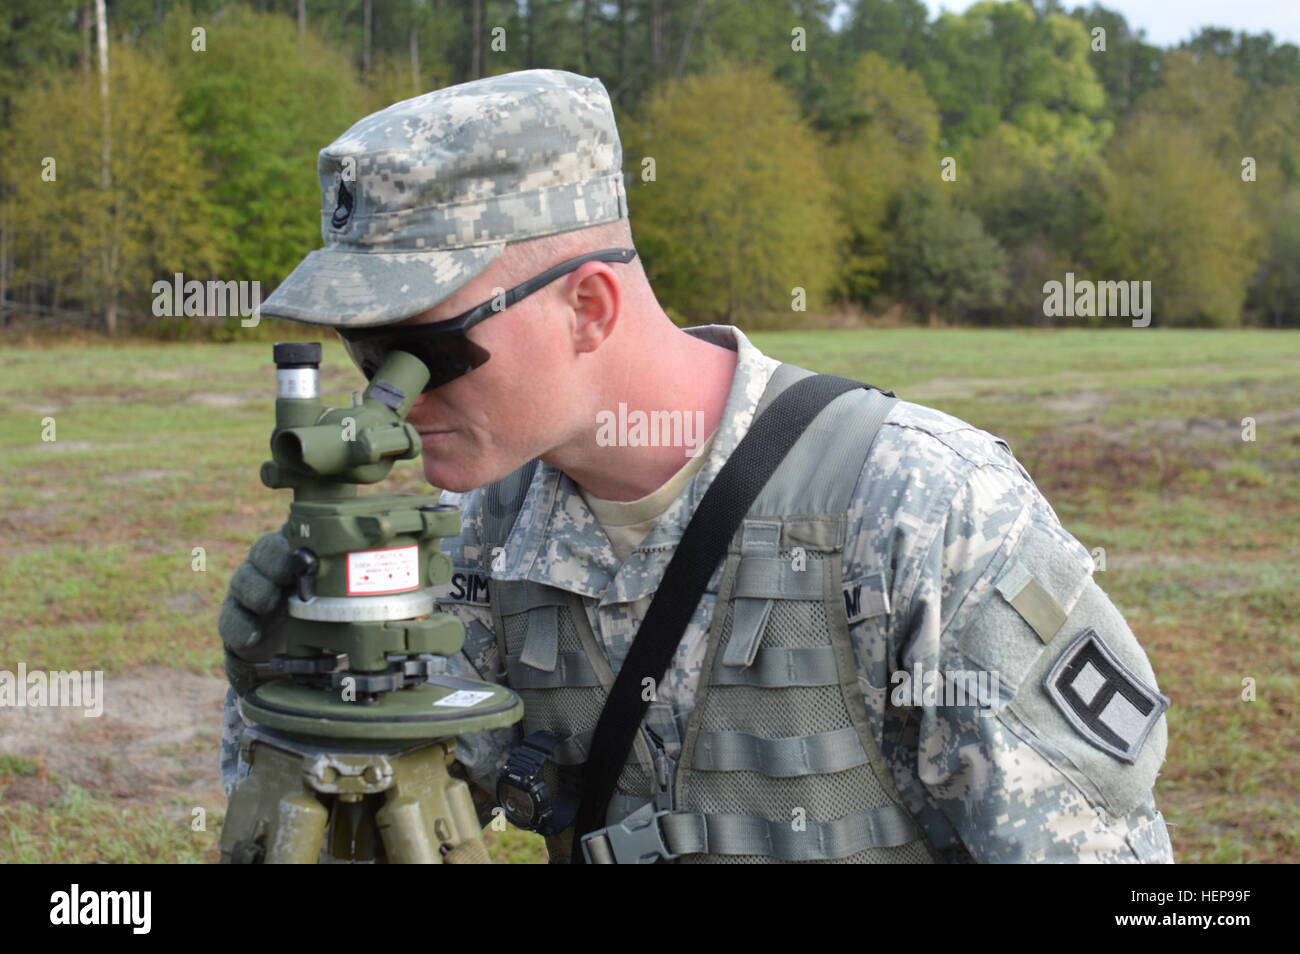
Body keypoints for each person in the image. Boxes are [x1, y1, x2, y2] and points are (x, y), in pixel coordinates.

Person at [218, 68, 1175, 864]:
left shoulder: (926, 512)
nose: (392, 393)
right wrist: (310, 696)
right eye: (361, 349)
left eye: (425, 349)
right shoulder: (478, 538)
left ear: (588, 306)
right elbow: (375, 823)